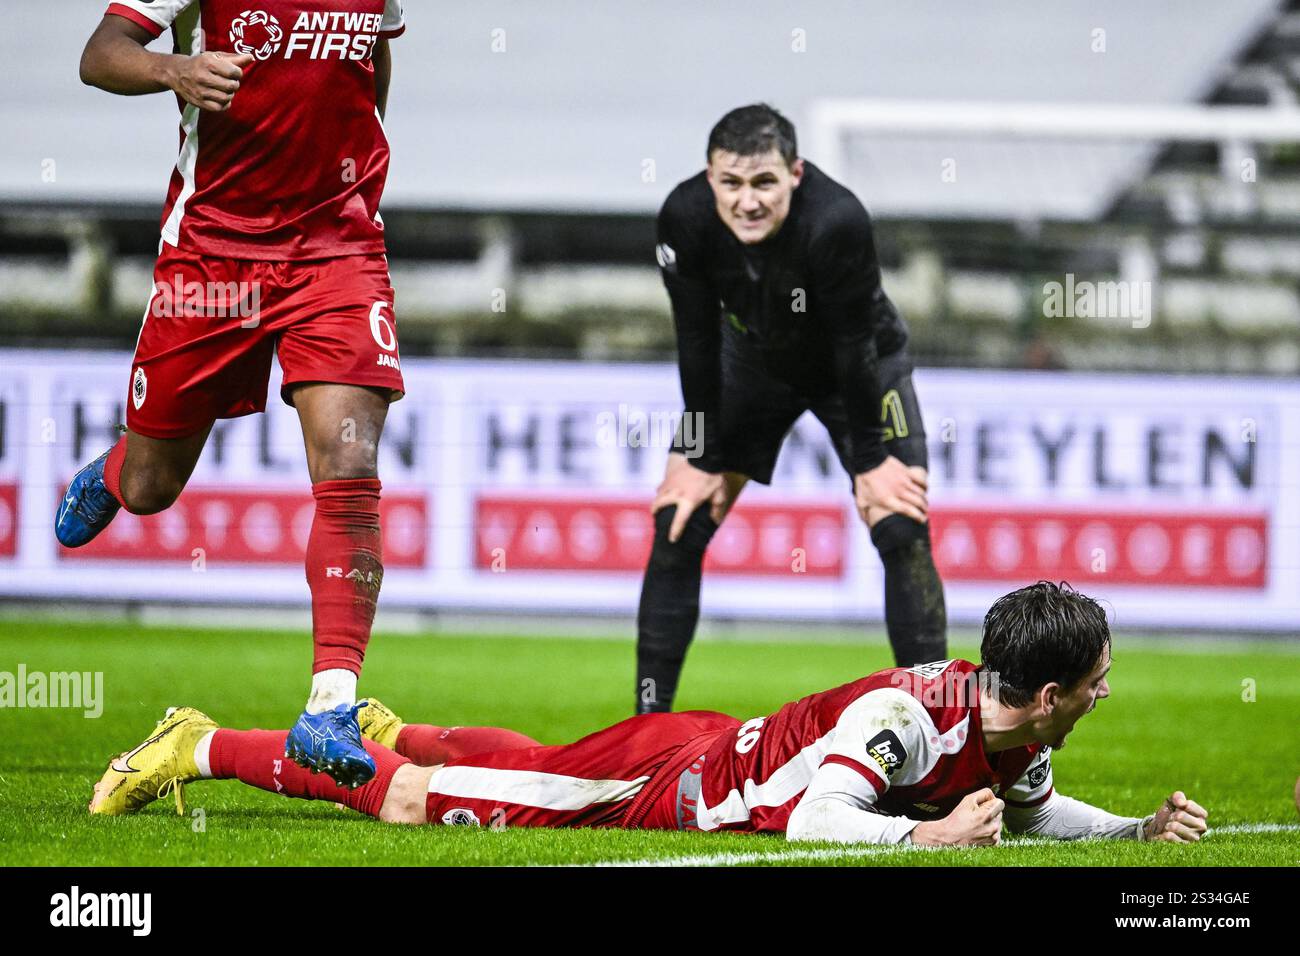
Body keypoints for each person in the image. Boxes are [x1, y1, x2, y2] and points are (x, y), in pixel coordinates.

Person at [90, 583, 1208, 846]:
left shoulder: (1012, 725)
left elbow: (1034, 811)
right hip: (670, 784)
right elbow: (823, 818)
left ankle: (387, 726)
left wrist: (1132, 835)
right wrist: (921, 835)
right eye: (1099, 678)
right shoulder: (914, 719)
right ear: (1052, 695)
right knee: (424, 806)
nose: (1107, 690)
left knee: (534, 761)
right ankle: (207, 743)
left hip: (701, 751)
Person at [60, 0, 408, 787]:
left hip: (336, 249)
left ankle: (330, 704)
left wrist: (355, 177)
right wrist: (174, 70)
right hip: (214, 250)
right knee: (154, 487)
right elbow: (100, 52)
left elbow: (375, 61)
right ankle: (117, 471)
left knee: (350, 467)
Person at [637, 103, 945, 715]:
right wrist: (699, 453)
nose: (746, 201)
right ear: (709, 178)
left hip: (860, 368)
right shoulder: (684, 215)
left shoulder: (837, 221)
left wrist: (871, 461)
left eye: (763, 183)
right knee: (679, 517)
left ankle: (932, 730)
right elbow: (695, 339)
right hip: (755, 366)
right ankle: (647, 732)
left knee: (900, 524)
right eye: (731, 183)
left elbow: (854, 348)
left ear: (795, 173)